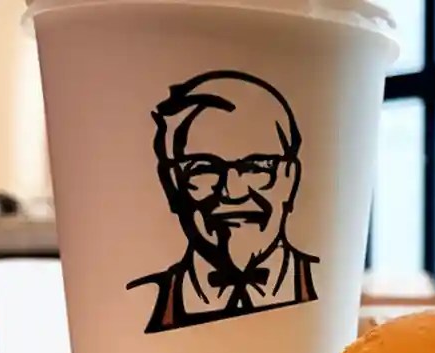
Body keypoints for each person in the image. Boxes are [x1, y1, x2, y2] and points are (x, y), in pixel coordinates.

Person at [128, 70, 319, 333]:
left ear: (290, 179)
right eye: (203, 169)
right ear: (172, 184)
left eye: (257, 166)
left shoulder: (332, 288)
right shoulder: (136, 304)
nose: (233, 191)